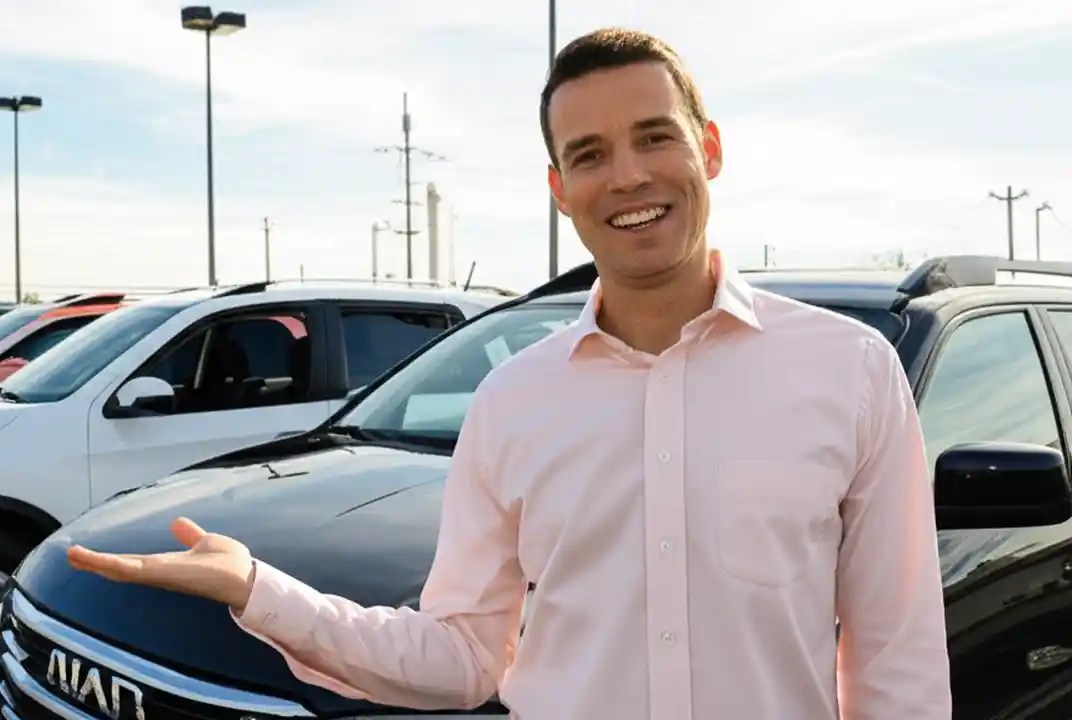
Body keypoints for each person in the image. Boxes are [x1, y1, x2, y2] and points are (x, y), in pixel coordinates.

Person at [67, 27, 952, 719]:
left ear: (709, 148)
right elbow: (460, 659)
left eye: (655, 136)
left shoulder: (852, 373)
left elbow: (894, 661)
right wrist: (258, 590)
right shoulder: (512, 401)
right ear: (559, 187)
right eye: (590, 154)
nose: (628, 175)